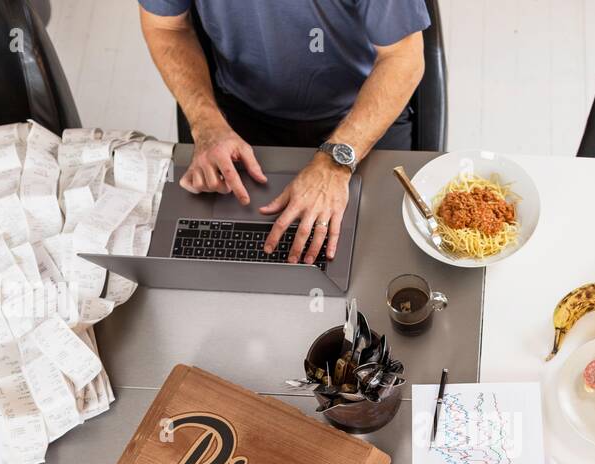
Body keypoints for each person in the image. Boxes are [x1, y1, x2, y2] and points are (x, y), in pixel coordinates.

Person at [138, 0, 429, 265]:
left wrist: (335, 162)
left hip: (359, 119)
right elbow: (165, 26)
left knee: (382, 260)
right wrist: (207, 123)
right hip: (240, 121)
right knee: (227, 261)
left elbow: (403, 57)